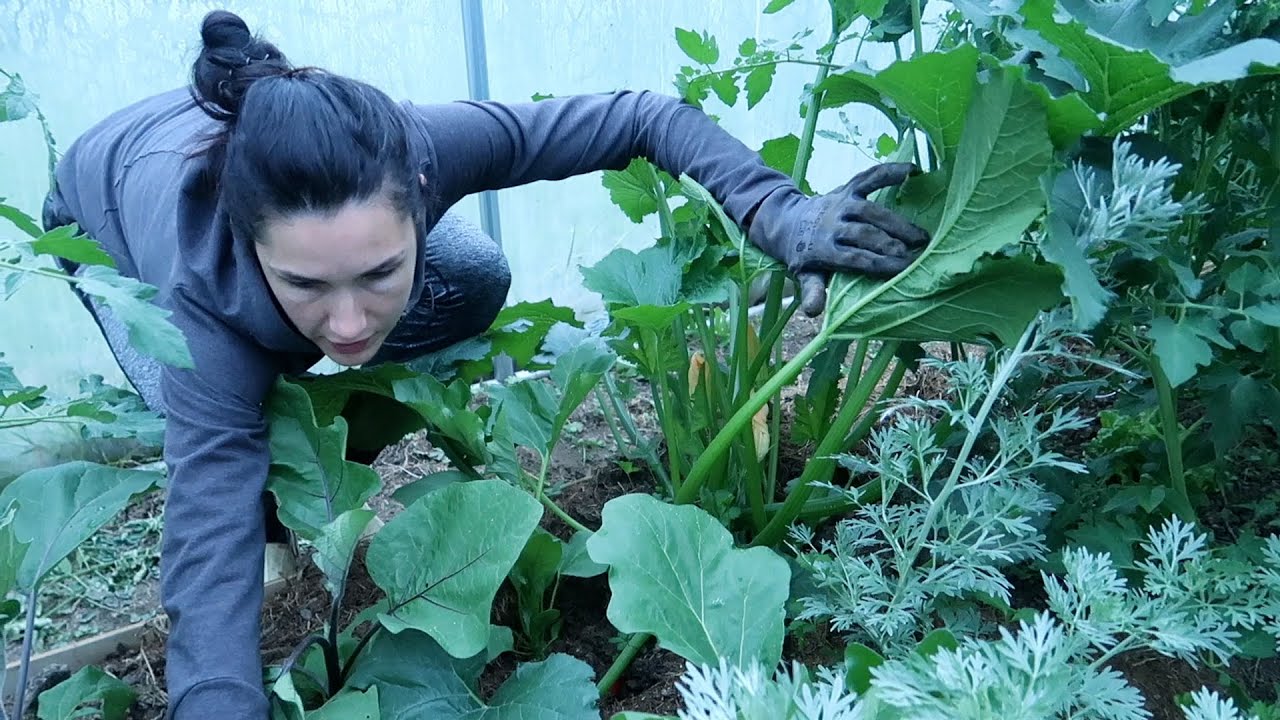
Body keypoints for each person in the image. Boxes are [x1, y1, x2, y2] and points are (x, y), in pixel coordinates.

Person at [40, 9, 930, 720]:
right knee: (211, 422)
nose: (347, 322)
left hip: (270, 186)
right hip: (97, 215)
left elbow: (640, 115)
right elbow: (202, 546)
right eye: (306, 283)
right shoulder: (197, 291)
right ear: (248, 245)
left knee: (472, 276)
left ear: (417, 195)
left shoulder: (426, 146)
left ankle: (311, 330)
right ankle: (270, 477)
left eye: (382, 271)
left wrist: (776, 211)